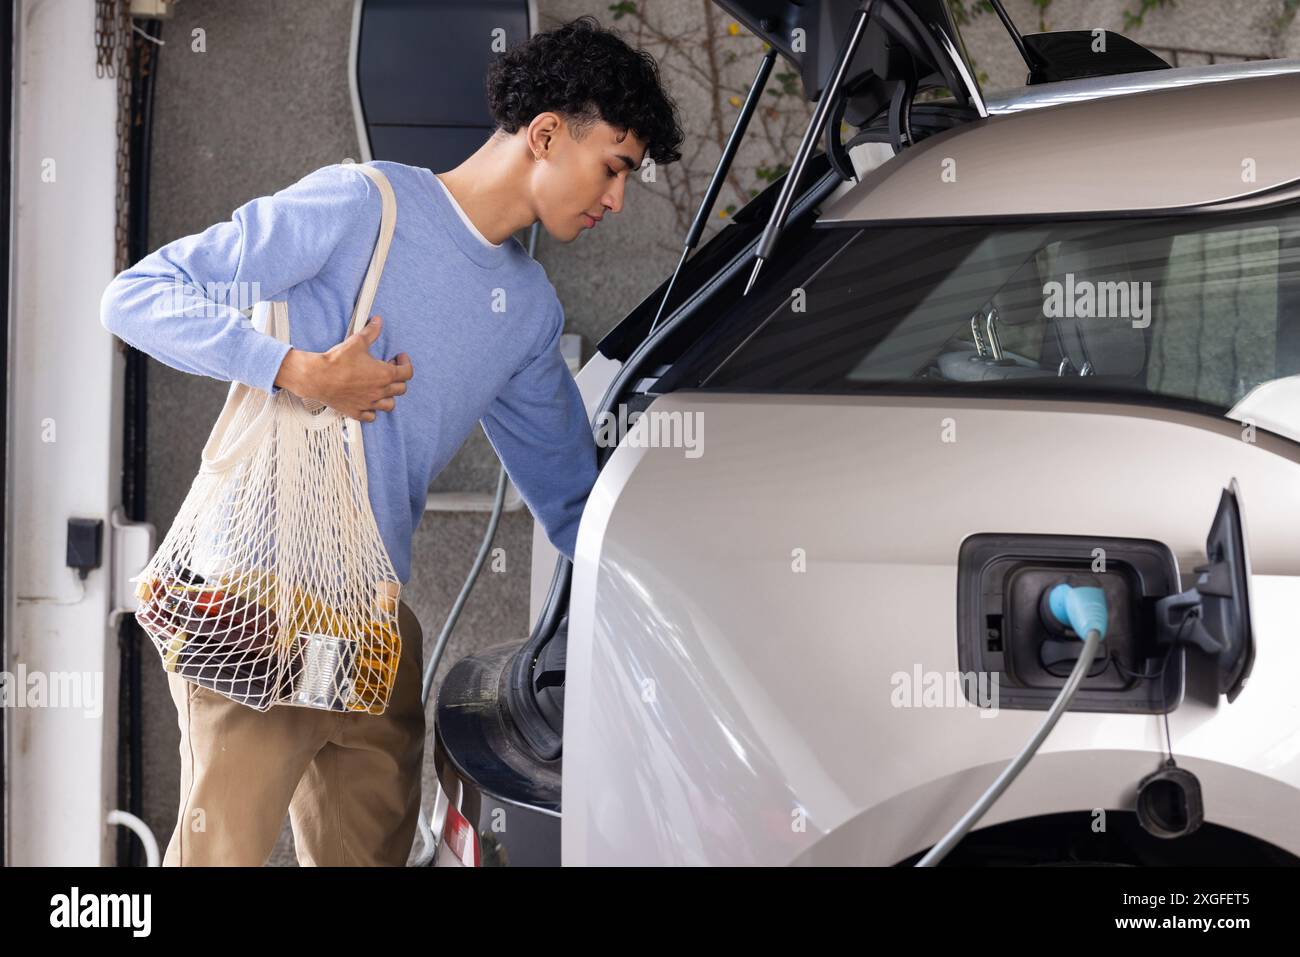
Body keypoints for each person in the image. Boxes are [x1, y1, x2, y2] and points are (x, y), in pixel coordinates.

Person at [98, 15, 683, 866]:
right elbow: (138, 295)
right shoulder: (358, 205)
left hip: (371, 626)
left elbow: (573, 500)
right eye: (614, 168)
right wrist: (295, 368)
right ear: (548, 135)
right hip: (261, 596)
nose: (617, 199)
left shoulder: (525, 314)